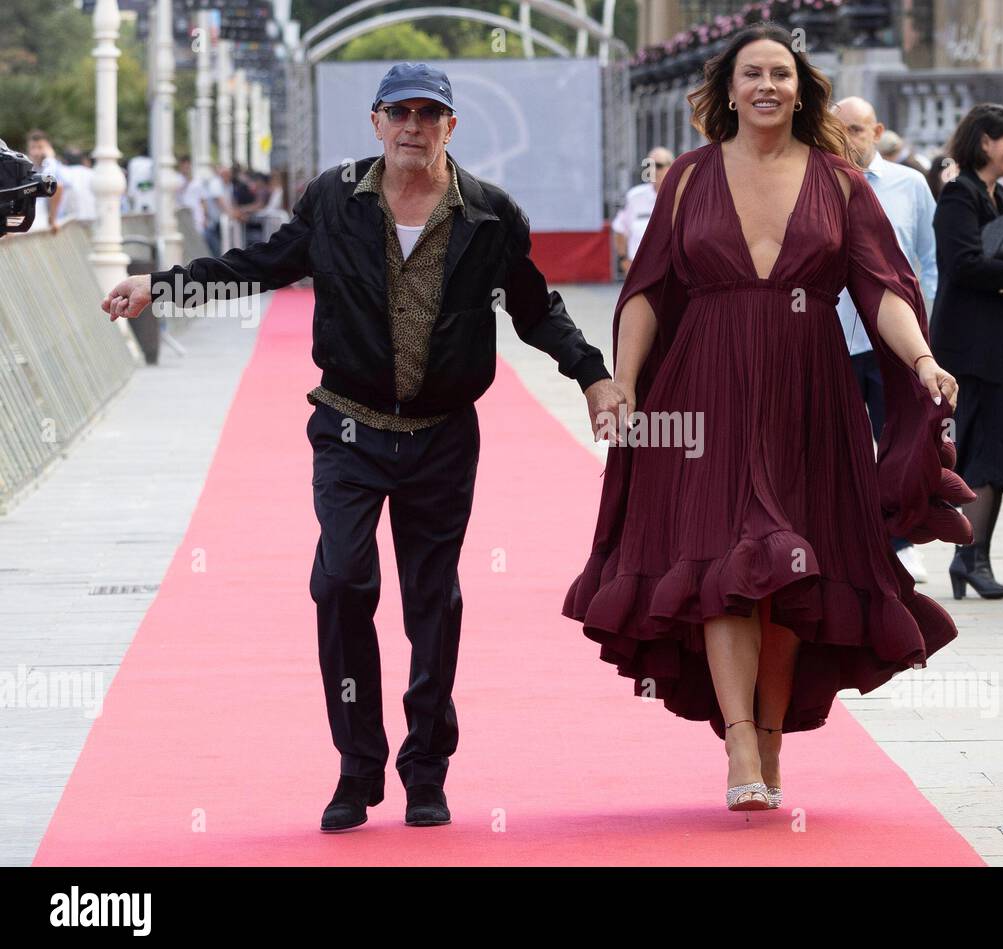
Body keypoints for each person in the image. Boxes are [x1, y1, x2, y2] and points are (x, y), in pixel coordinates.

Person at [102, 62, 623, 831]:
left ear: (452, 126)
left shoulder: (488, 213)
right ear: (376, 122)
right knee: (342, 581)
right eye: (399, 112)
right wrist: (165, 285)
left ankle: (425, 771)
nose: (413, 125)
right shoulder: (334, 199)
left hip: (444, 435)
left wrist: (593, 376)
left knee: (432, 604)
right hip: (348, 424)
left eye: (429, 113)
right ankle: (356, 767)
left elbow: (533, 307)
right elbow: (261, 265)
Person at [562, 23, 973, 814]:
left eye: (781, 74)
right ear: (728, 89)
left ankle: (773, 738)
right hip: (703, 393)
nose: (767, 87)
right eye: (752, 74)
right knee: (724, 564)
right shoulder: (686, 179)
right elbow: (646, 289)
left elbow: (882, 286)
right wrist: (625, 383)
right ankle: (741, 741)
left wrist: (922, 360)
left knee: (791, 573)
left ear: (800, 87)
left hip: (810, 395)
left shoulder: (839, 181)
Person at [930, 103, 1003, 599]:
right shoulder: (959, 194)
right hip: (970, 343)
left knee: (996, 447)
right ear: (985, 143)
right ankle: (969, 558)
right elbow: (961, 263)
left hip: (996, 340)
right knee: (983, 448)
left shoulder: (995, 197)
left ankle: (974, 558)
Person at [832, 95, 939, 583]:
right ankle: (847, 540)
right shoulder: (821, 183)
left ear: (877, 132)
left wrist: (924, 333)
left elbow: (929, 262)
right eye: (839, 130)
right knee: (840, 445)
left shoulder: (910, 184)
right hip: (832, 335)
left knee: (897, 439)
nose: (847, 139)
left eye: (855, 129)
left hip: (892, 340)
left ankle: (900, 539)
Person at [611, 146, 673, 273]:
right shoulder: (634, 197)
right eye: (649, 165)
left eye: (658, 165)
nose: (653, 170)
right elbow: (619, 229)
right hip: (639, 272)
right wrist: (623, 259)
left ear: (671, 167)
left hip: (671, 272)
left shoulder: (682, 197)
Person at [25, 131, 64, 232]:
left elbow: (53, 184)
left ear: (48, 149)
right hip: (33, 215)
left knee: (56, 186)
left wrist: (49, 159)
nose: (36, 152)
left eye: (40, 147)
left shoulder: (54, 166)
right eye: (33, 147)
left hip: (51, 217)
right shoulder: (27, 167)